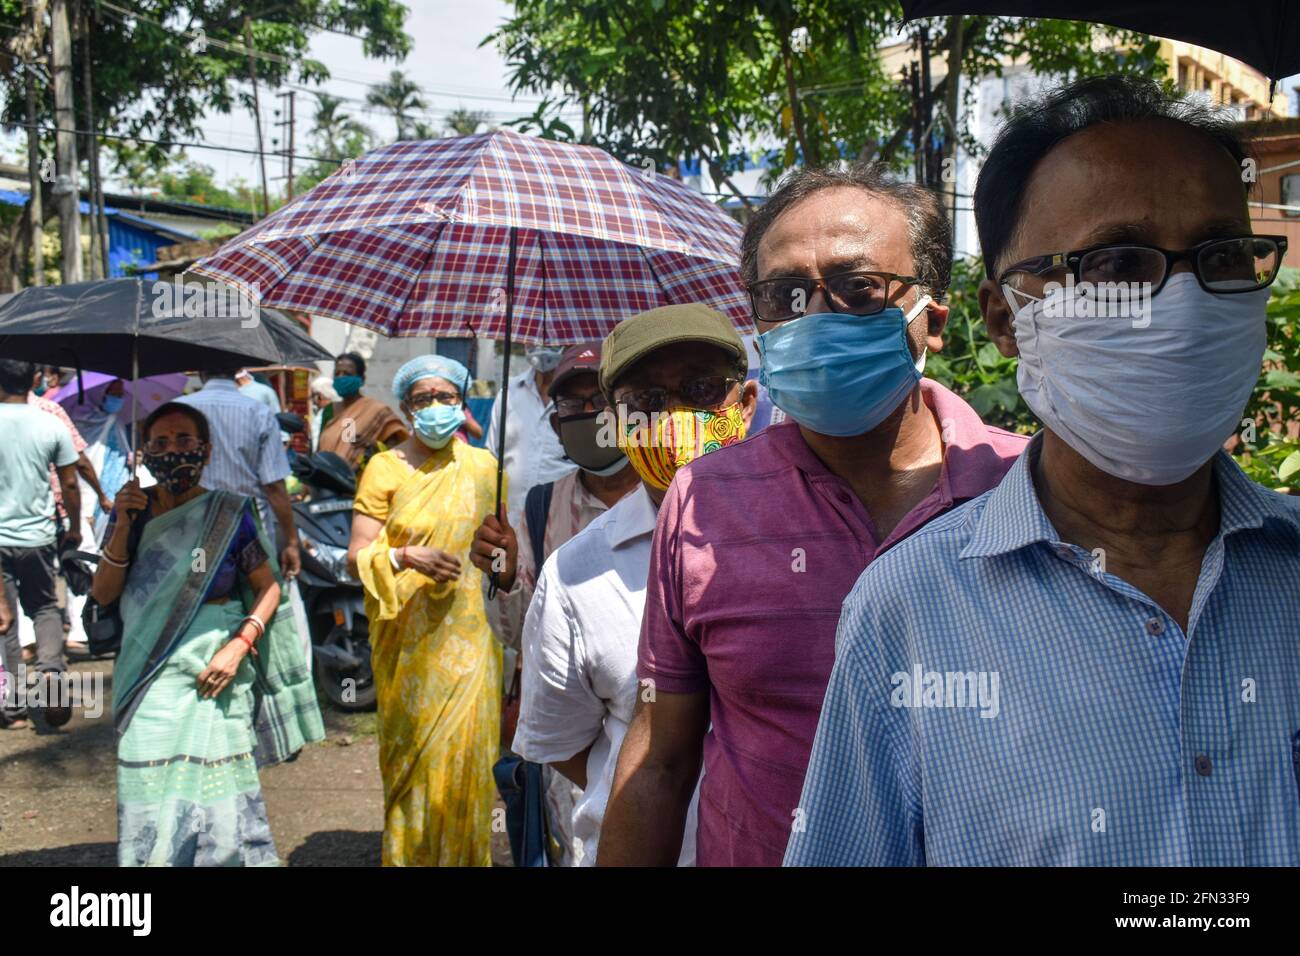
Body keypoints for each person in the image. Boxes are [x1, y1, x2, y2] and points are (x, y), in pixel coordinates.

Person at [785, 75, 1300, 868]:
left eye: (1222, 255)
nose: (1185, 301)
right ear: (1005, 318)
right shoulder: (911, 613)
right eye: (1117, 261)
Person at [598, 164, 1029, 867]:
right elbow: (660, 760)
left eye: (859, 289)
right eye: (784, 294)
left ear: (934, 322)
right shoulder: (705, 501)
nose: (817, 316)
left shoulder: (1027, 491)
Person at [512, 307, 757, 866]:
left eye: (700, 389)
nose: (672, 417)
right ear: (617, 424)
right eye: (645, 402)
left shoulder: (806, 537)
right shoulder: (575, 573)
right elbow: (563, 743)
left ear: (743, 405)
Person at [93, 402, 322, 866]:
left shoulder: (228, 513)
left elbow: (267, 588)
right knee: (151, 781)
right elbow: (103, 593)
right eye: (159, 442)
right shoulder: (131, 511)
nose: (172, 451)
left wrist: (240, 646)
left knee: (218, 798)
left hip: (215, 672)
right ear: (144, 453)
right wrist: (120, 525)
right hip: (150, 672)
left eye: (184, 441)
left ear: (206, 450)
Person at [469, 341, 640, 865]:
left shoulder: (672, 492)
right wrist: (504, 577)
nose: (587, 415)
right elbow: (518, 632)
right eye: (571, 405)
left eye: (600, 401)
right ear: (555, 419)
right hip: (572, 750)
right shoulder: (543, 506)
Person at [346, 354, 502, 866]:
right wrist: (403, 555)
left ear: (461, 402)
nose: (435, 407)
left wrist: (503, 555)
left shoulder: (485, 467)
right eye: (423, 399)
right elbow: (356, 557)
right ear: (406, 408)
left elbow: (502, 557)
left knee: (467, 765)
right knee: (413, 763)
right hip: (408, 649)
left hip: (473, 641)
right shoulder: (384, 468)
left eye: (446, 397)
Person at [0, 359, 81, 730]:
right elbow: (69, 483)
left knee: (5, 620)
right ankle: (50, 673)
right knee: (46, 607)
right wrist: (75, 527)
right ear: (34, 379)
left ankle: (14, 707)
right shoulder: (50, 423)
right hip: (38, 536)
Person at [177, 368, 302, 581]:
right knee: (257, 595)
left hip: (196, 531)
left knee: (197, 587)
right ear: (237, 370)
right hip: (249, 533)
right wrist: (291, 542)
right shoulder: (259, 413)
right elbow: (274, 485)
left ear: (200, 371)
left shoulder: (181, 410)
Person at [485, 346, 573, 527]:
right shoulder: (508, 393)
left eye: (551, 340)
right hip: (512, 523)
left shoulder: (578, 397)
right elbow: (492, 458)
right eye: (538, 339)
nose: (543, 345)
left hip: (564, 523)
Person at [318, 352, 408, 470]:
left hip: (362, 481)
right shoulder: (329, 410)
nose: (341, 377)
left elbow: (398, 448)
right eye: (337, 374)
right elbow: (319, 449)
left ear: (362, 379)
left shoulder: (377, 411)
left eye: (347, 374)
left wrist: (373, 445)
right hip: (325, 479)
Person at [309, 376, 340, 451]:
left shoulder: (329, 411)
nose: (313, 400)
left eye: (314, 395)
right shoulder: (329, 409)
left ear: (321, 395)